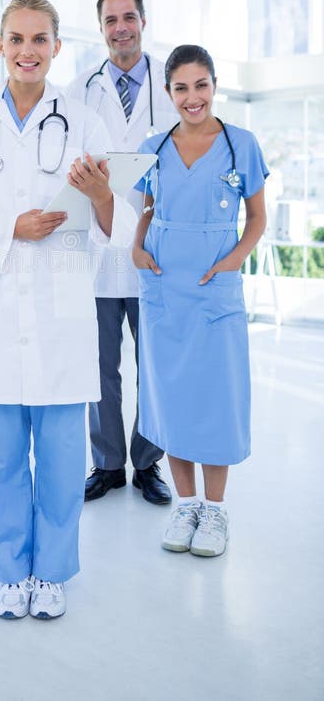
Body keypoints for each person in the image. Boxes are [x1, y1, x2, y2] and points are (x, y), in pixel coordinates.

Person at [0, 0, 136, 619]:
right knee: (1, 456)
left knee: (65, 457)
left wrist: (101, 195)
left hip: (62, 308)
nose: (27, 51)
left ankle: (54, 572)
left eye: (39, 40)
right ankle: (10, 572)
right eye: (16, 39)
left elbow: (119, 226)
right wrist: (8, 226)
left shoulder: (84, 121)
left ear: (56, 47)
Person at [132, 44, 268, 557]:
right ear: (169, 93)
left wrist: (232, 262)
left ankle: (215, 512)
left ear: (215, 86)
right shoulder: (154, 146)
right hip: (165, 283)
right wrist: (135, 245)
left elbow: (256, 219)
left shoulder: (241, 145)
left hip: (215, 285)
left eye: (201, 85)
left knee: (217, 396)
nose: (193, 98)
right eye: (181, 88)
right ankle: (184, 505)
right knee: (171, 398)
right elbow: (147, 205)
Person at [65, 0, 178, 505]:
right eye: (110, 20)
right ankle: (107, 463)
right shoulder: (80, 90)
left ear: (143, 20)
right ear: (101, 27)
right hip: (99, 250)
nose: (120, 28)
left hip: (152, 249)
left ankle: (148, 463)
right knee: (99, 363)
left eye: (128, 17)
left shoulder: (168, 84)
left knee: (152, 364)